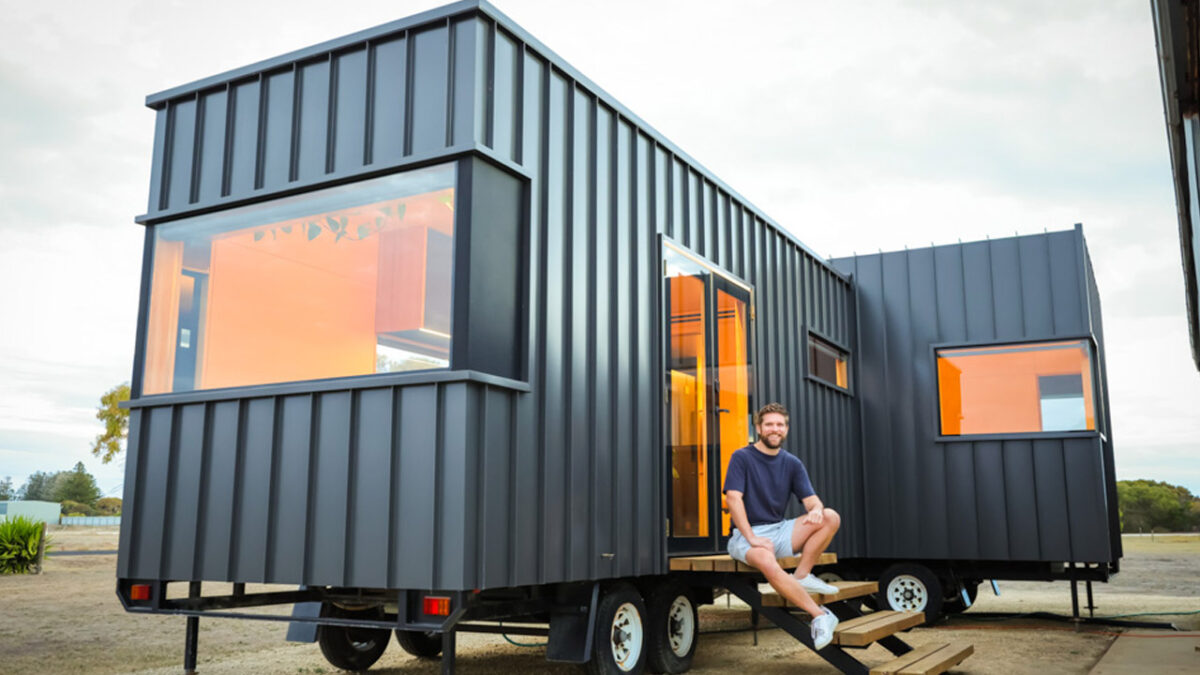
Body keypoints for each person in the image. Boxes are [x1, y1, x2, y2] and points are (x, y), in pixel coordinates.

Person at [723, 402, 843, 650]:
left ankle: (802, 575)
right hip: (747, 536)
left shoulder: (792, 463)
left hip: (779, 530)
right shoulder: (742, 457)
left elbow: (812, 501)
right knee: (766, 559)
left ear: (786, 429)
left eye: (780, 424)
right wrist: (753, 538)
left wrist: (817, 510)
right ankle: (820, 615)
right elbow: (733, 499)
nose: (774, 429)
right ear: (758, 427)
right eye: (769, 424)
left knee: (831, 516)